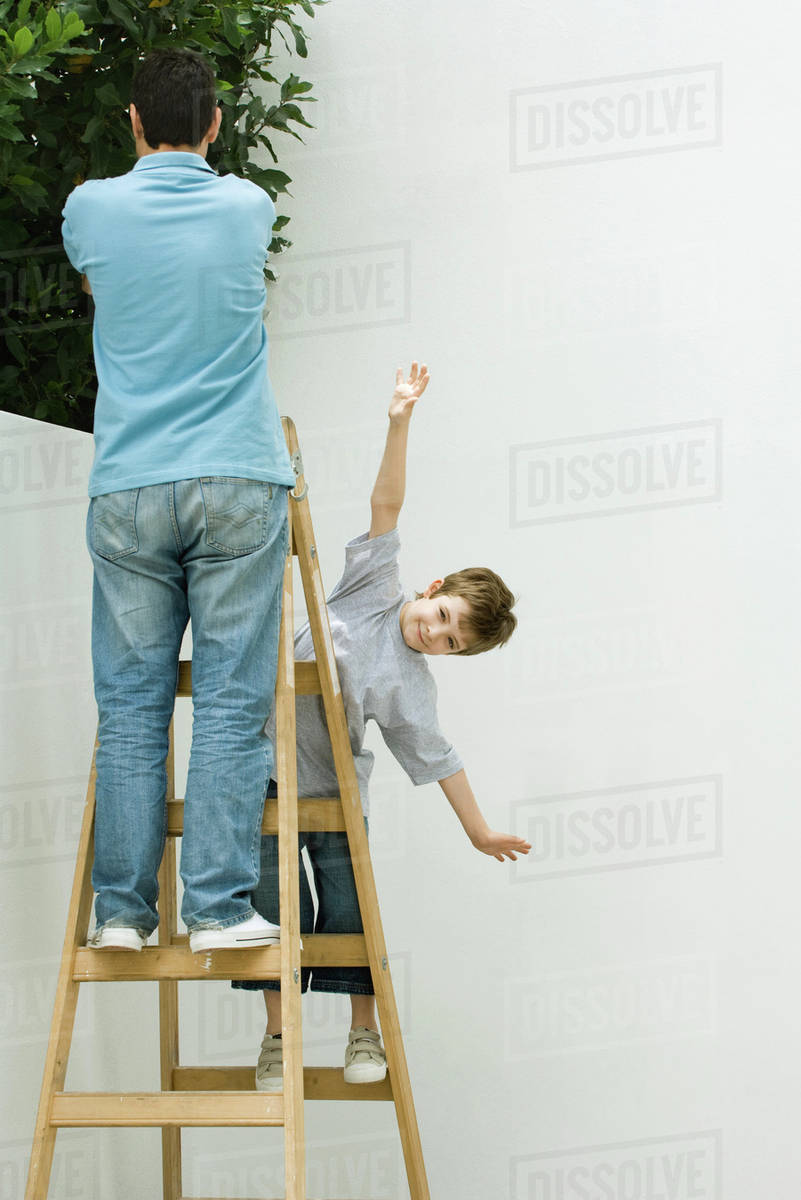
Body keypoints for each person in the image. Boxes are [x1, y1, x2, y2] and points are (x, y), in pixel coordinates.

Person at [232, 361, 532, 1088]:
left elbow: (437, 757)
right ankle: (279, 1039)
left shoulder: (410, 684)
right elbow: (385, 502)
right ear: (430, 590)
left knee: (347, 912)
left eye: (451, 642)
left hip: (334, 793)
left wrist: (478, 829)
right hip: (268, 778)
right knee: (275, 909)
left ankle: (362, 1035)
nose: (435, 635)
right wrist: (399, 420)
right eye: (441, 618)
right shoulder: (372, 587)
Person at [60, 48, 297, 954]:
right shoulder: (247, 206)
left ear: (130, 121)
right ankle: (217, 909)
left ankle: (121, 912)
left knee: (129, 706)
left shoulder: (90, 207)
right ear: (214, 124)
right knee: (233, 705)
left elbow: (100, 285)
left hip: (127, 485)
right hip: (237, 477)